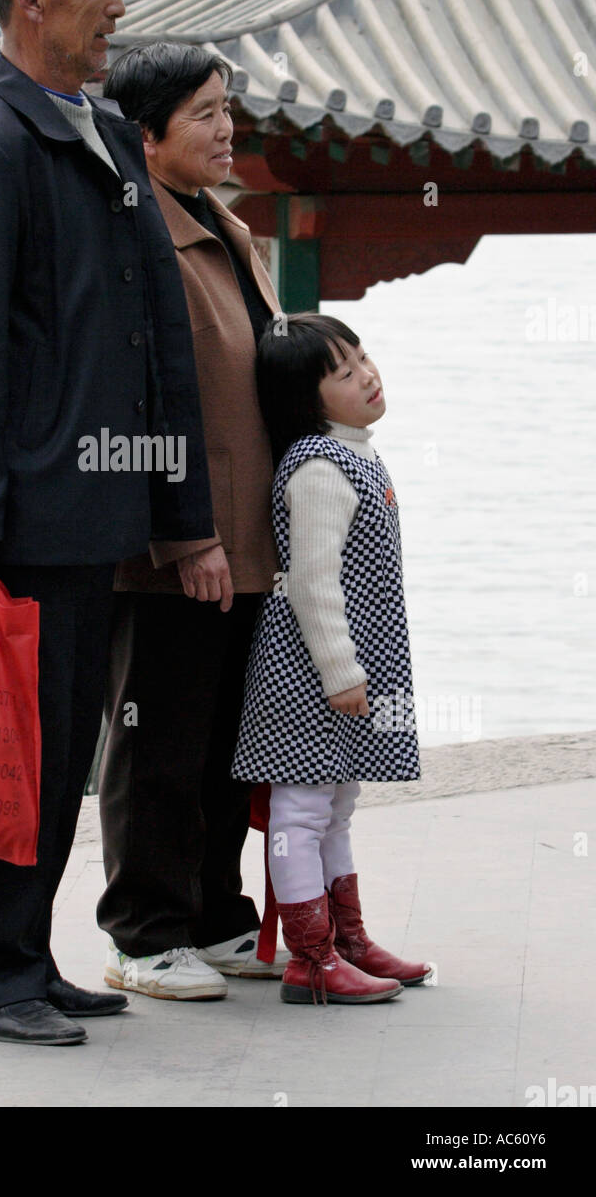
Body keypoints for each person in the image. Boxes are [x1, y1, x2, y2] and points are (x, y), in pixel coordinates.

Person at [0, 0, 215, 1046]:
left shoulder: (98, 135)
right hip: (15, 516)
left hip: (91, 511)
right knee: (0, 750)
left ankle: (20, 957)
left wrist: (180, 511)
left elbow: (153, 338)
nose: (119, 3)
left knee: (59, 750)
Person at [95, 42, 287, 1000]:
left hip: (248, 534)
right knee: (157, 739)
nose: (226, 129)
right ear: (147, 134)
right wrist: (184, 534)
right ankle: (142, 933)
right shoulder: (135, 238)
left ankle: (216, 918)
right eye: (206, 114)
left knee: (224, 738)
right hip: (177, 543)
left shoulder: (225, 226)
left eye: (227, 109)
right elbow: (139, 401)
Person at [231, 312, 432, 1004]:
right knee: (302, 809)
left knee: (337, 805)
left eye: (364, 358)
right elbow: (313, 581)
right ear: (306, 399)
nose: (367, 375)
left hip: (339, 674)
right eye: (344, 373)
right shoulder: (319, 468)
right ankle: (309, 958)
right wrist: (343, 671)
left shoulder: (357, 453)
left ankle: (347, 941)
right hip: (310, 675)